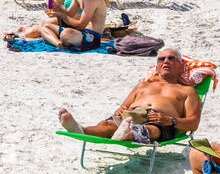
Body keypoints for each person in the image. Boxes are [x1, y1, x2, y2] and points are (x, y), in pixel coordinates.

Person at [58, 47, 203, 142]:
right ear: (157, 67)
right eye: (161, 59)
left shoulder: (187, 91)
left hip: (159, 121)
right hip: (130, 116)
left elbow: (194, 123)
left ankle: (127, 134)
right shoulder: (143, 85)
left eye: (171, 58)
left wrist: (171, 120)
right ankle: (80, 130)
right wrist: (121, 110)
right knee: (107, 124)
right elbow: (123, 107)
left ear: (181, 66)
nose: (166, 61)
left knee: (152, 131)